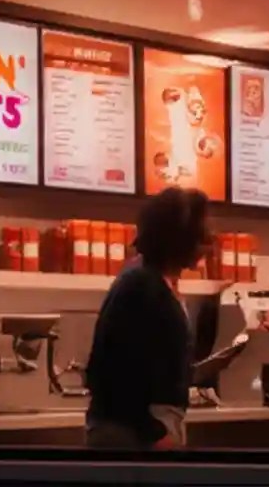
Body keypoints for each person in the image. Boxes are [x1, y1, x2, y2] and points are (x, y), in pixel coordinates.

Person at [85, 187, 213, 450]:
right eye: (201, 234)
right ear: (179, 239)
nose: (209, 243)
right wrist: (153, 432)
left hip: (147, 426)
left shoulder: (155, 283)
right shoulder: (141, 286)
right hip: (132, 434)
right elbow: (109, 374)